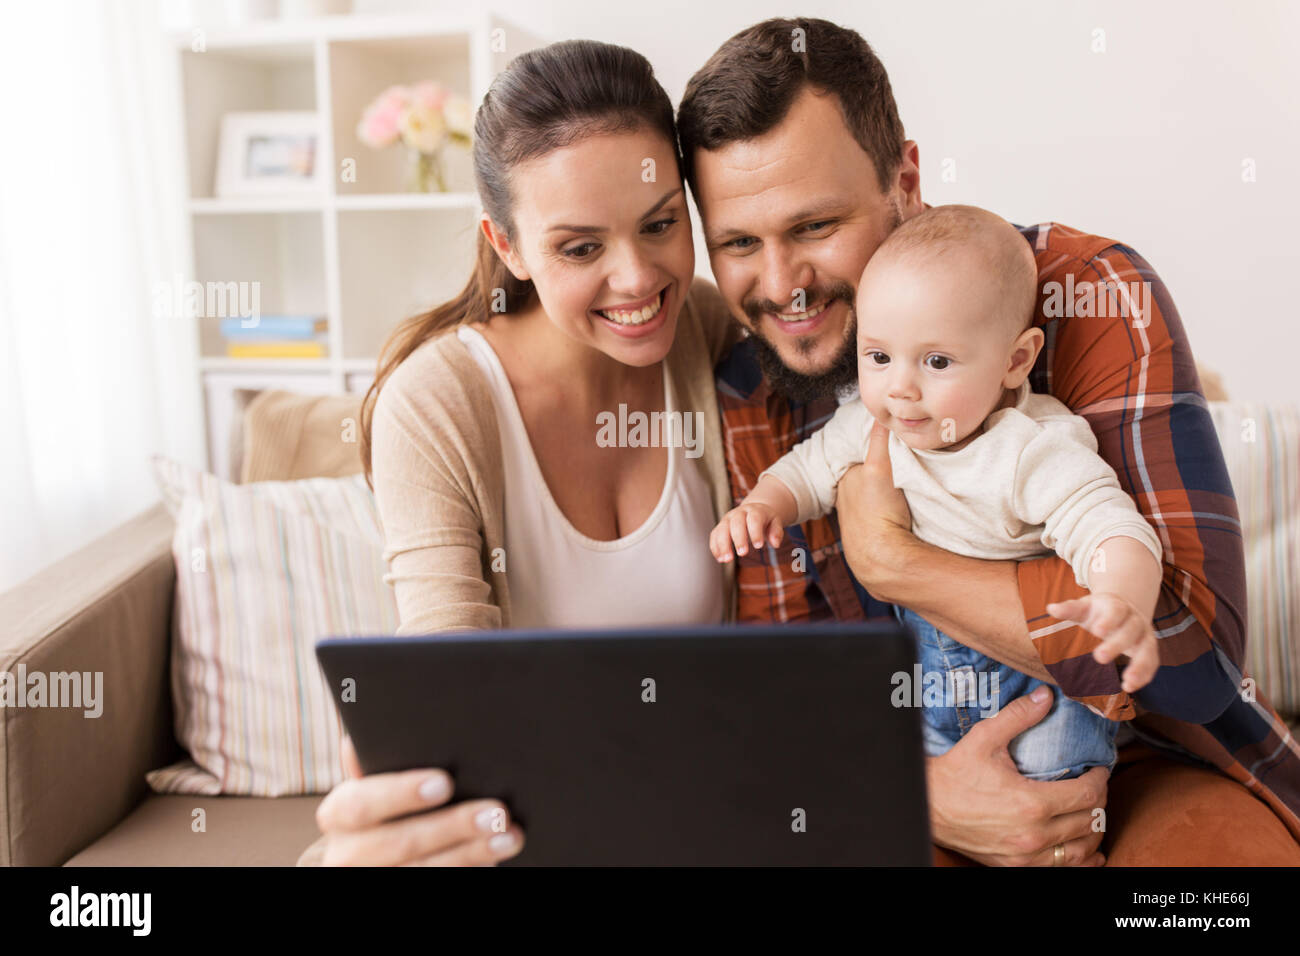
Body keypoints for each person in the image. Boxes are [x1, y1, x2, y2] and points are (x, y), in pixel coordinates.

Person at [677, 16, 1300, 865]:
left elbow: (1192, 667)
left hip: (1149, 754)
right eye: (740, 243)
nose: (784, 285)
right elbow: (789, 692)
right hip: (904, 765)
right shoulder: (751, 385)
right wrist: (923, 796)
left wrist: (897, 562)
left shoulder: (1086, 293)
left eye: (815, 225)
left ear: (904, 180)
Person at [306, 39, 739, 865]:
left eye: (660, 224)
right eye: (580, 248)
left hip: (705, 823)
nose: (637, 279)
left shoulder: (706, 332)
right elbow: (448, 684)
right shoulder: (439, 402)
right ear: (506, 245)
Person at [711, 204, 1164, 782]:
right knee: (911, 783)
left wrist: (1121, 598)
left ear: (1015, 361)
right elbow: (805, 470)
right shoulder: (872, 425)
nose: (900, 387)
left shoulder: (1029, 449)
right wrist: (761, 506)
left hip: (1035, 692)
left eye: (937, 361)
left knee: (1047, 774)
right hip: (926, 684)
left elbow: (1111, 528)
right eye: (879, 357)